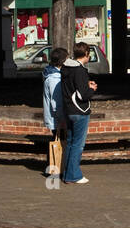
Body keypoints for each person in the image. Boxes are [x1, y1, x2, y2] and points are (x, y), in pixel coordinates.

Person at [60, 42, 98, 184]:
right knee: (78, 144)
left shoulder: (65, 67)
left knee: (70, 142)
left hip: (68, 109)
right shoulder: (80, 71)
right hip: (80, 110)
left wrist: (85, 86)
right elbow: (83, 95)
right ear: (86, 54)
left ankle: (67, 173)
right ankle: (73, 175)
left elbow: (72, 87)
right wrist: (92, 89)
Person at [42, 47, 67, 174]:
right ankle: (55, 167)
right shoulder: (54, 79)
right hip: (56, 118)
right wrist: (61, 119)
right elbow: (56, 102)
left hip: (54, 117)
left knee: (56, 142)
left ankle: (54, 166)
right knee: (58, 143)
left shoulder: (50, 74)